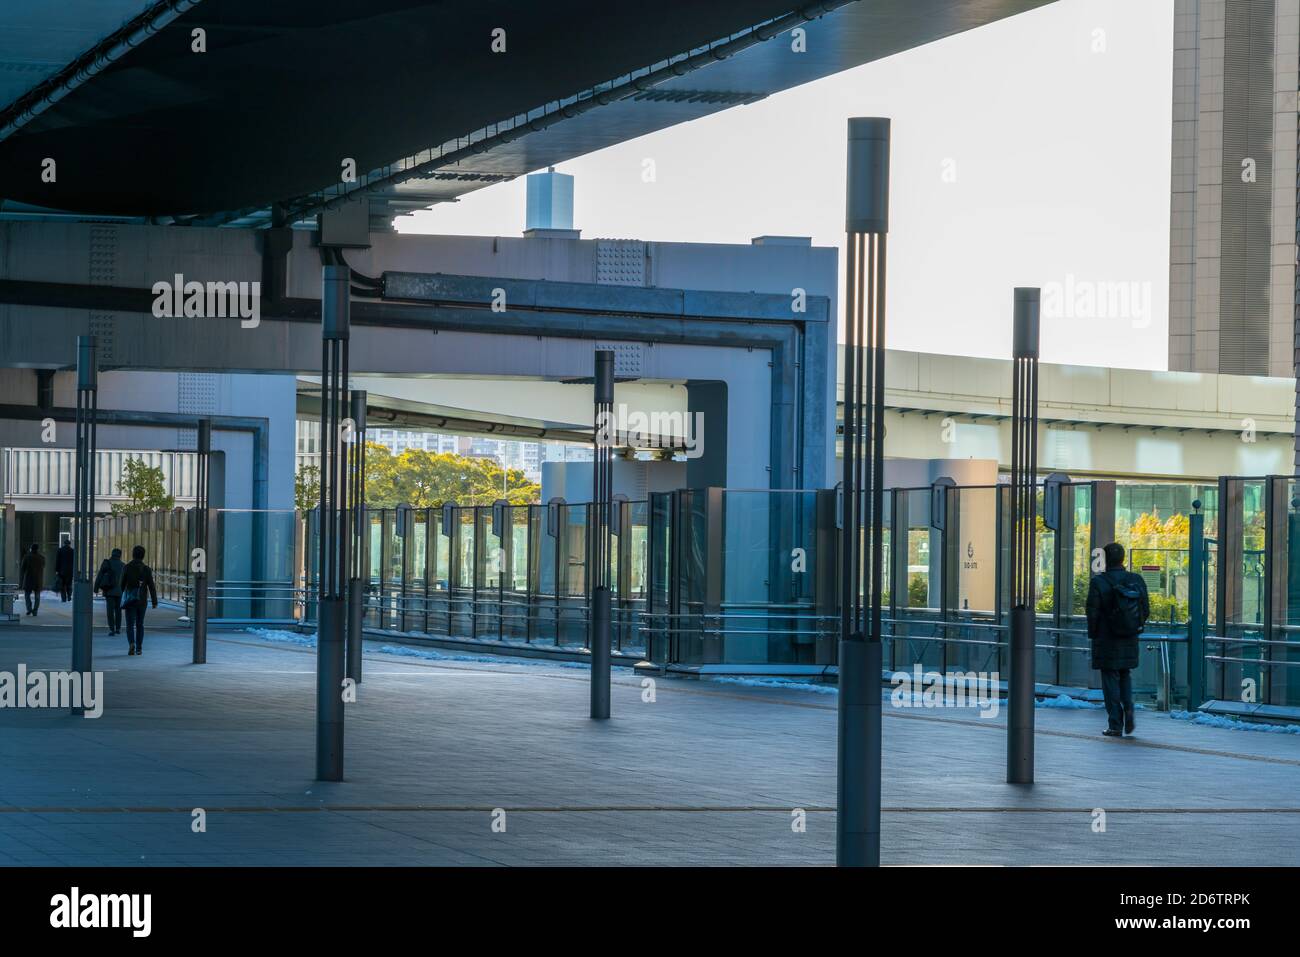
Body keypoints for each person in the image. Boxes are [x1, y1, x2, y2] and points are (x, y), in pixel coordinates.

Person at [1086, 542, 1150, 737]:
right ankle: (1128, 706)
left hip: (1106, 638)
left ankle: (1115, 723)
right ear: (1123, 558)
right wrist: (1131, 627)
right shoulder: (1136, 580)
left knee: (1109, 678)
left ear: (1105, 559)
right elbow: (1145, 609)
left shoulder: (1099, 582)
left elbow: (1092, 612)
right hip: (1130, 637)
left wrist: (1094, 634)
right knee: (1124, 673)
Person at [119, 545, 158, 656]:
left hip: (130, 600)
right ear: (143, 555)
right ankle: (139, 648)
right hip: (142, 601)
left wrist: (122, 597)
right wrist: (154, 601)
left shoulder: (127, 567)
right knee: (140, 624)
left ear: (133, 554)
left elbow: (121, 584)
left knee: (130, 624)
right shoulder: (146, 569)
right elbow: (151, 586)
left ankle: (131, 643)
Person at [95, 547, 126, 635]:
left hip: (109, 591)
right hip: (119, 591)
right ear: (120, 555)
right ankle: (118, 628)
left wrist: (96, 588)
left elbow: (100, 575)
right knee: (118, 610)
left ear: (112, 554)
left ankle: (112, 628)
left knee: (110, 610)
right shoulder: (123, 565)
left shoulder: (107, 563)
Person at [18, 543, 45, 617]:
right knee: (37, 596)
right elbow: (43, 566)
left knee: (27, 595)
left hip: (28, 579)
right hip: (38, 579)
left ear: (31, 549)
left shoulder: (27, 557)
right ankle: (35, 611)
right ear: (37, 549)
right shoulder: (41, 557)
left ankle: (29, 609)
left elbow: (22, 568)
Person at [55, 537, 74, 602]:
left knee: (62, 585)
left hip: (61, 571)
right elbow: (74, 561)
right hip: (70, 571)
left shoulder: (60, 550)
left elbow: (57, 561)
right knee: (69, 584)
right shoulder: (72, 551)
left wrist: (57, 570)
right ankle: (69, 596)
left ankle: (63, 598)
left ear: (64, 544)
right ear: (69, 544)